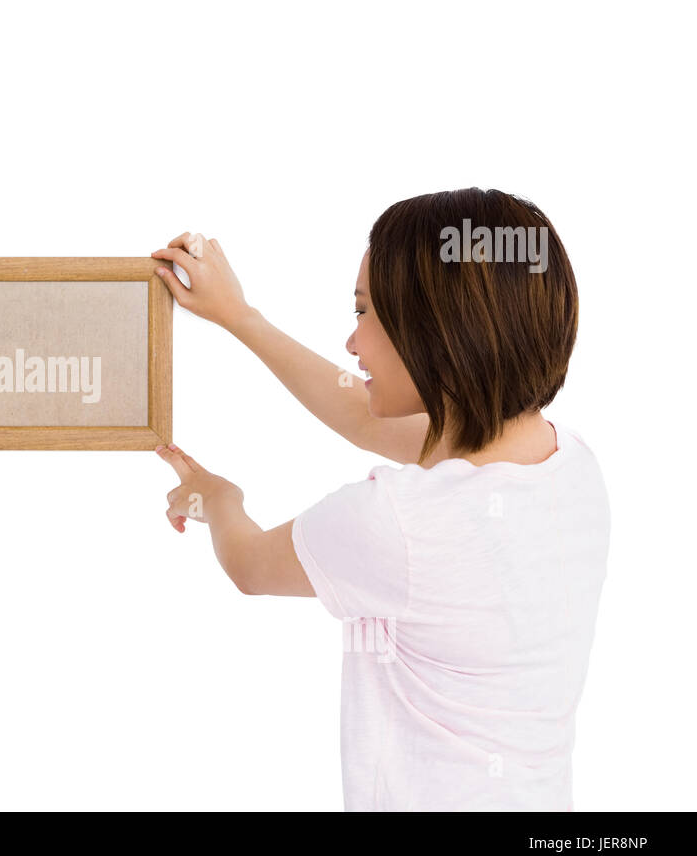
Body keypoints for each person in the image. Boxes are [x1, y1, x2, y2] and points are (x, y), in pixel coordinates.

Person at [150, 187, 610, 810]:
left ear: (436, 332)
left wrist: (218, 497)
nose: (352, 343)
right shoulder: (569, 465)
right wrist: (240, 317)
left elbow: (251, 567)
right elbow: (363, 415)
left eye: (364, 312)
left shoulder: (400, 522)